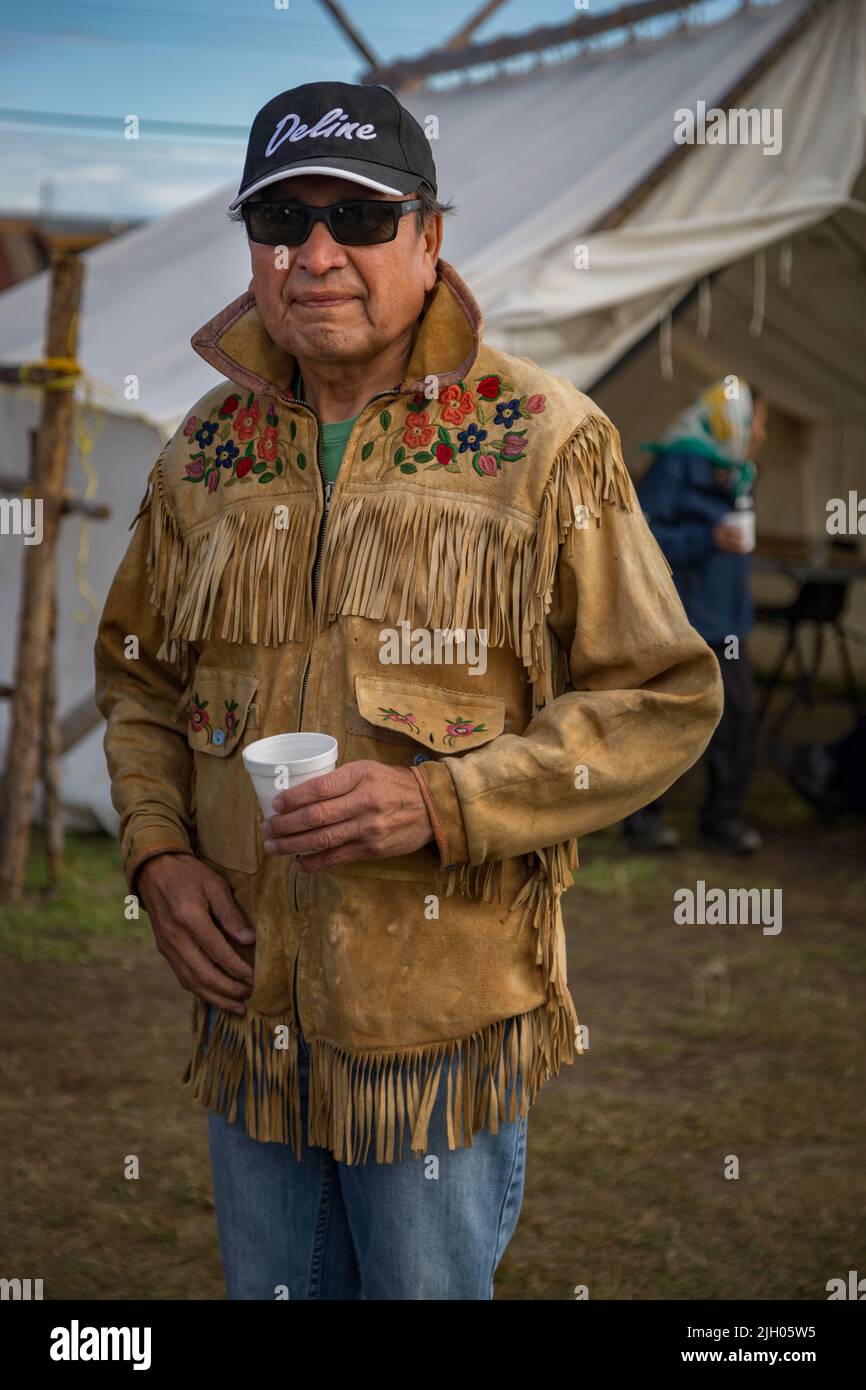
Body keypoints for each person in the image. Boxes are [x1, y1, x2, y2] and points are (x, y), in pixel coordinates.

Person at [94, 81, 723, 1301]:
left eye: (358, 217)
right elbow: (138, 680)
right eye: (281, 220)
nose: (315, 253)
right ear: (254, 249)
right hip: (251, 1021)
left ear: (428, 238)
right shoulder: (204, 452)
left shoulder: (541, 439)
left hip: (433, 1029)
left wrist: (447, 802)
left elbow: (659, 696)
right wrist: (158, 856)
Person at [623, 380, 768, 855]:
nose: (761, 434)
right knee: (665, 719)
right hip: (681, 620)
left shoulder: (738, 472)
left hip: (728, 621)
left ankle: (723, 819)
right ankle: (643, 820)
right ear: (734, 422)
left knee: (739, 718)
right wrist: (708, 538)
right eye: (759, 422)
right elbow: (640, 540)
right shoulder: (677, 462)